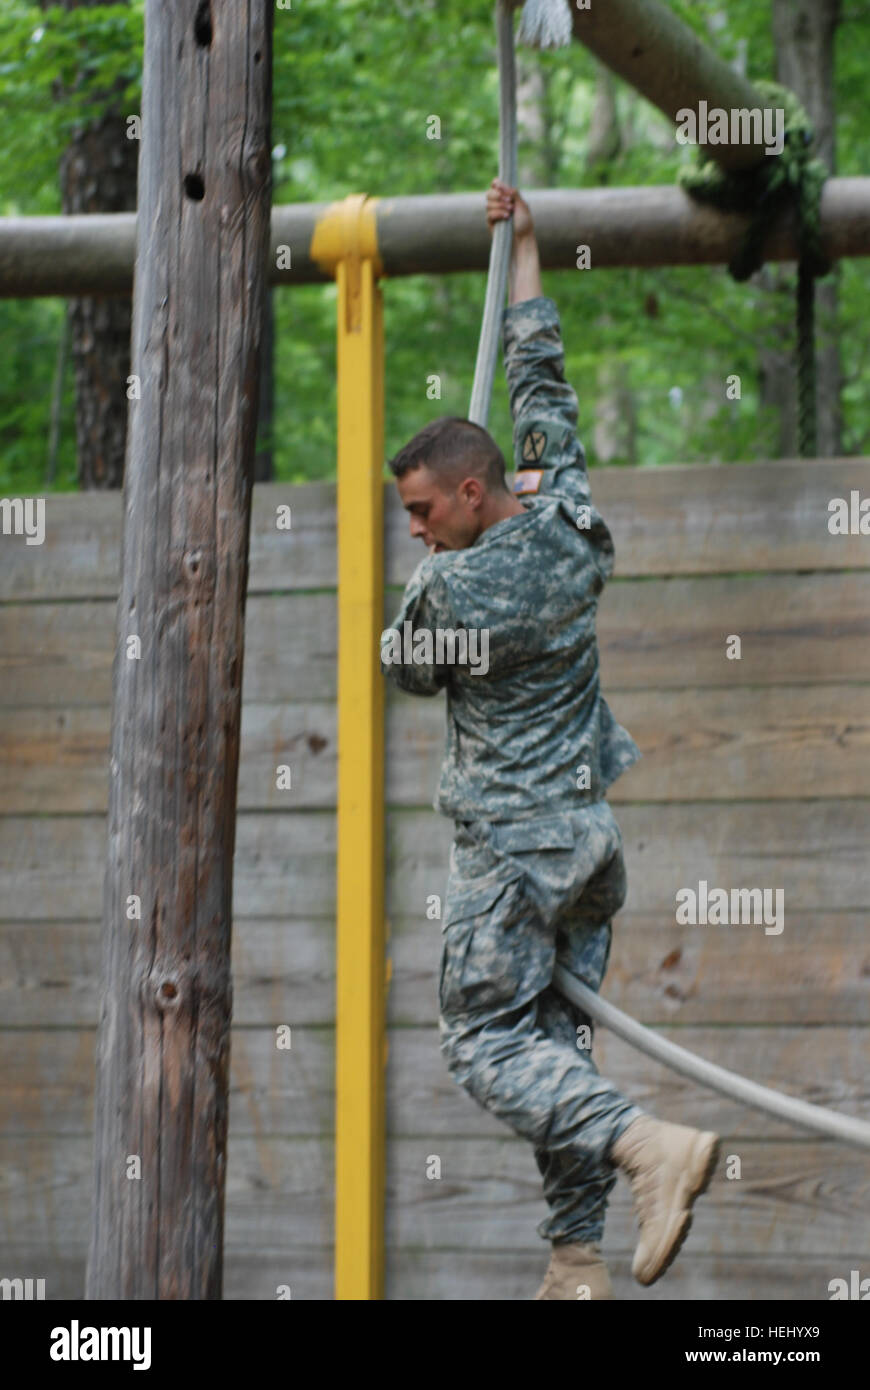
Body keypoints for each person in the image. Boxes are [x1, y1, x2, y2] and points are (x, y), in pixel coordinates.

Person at [380, 177, 719, 1300]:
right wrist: (524, 249)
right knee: (554, 1051)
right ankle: (575, 1257)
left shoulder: (453, 597)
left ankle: (645, 1148)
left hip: (516, 855)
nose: (416, 529)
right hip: (589, 844)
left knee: (482, 1044)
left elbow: (401, 670)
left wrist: (422, 591)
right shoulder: (568, 520)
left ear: (472, 494)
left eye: (424, 510)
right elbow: (544, 385)